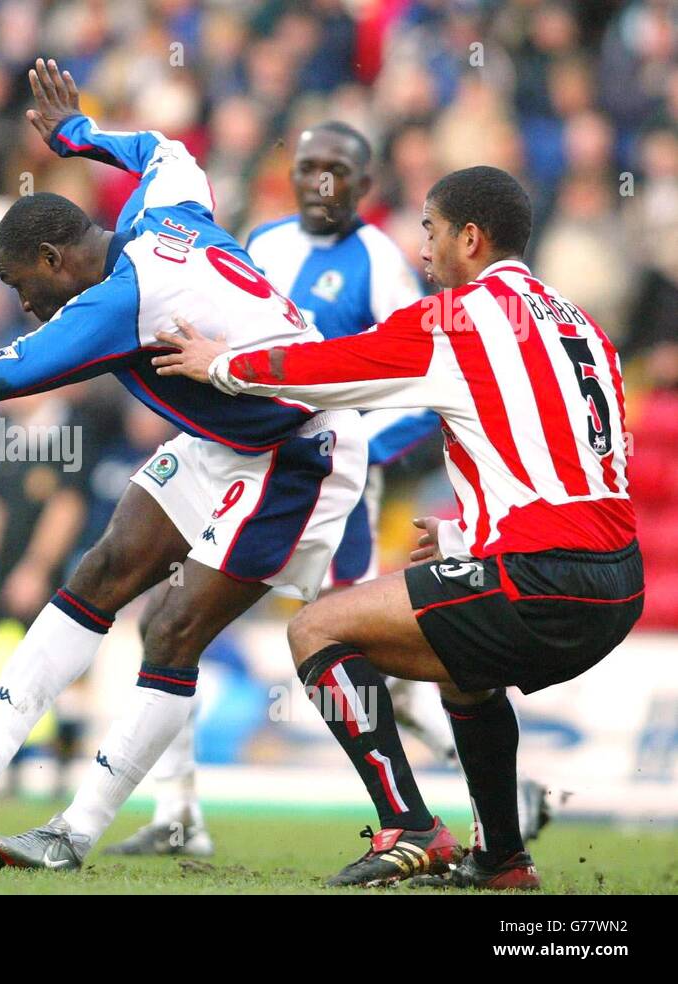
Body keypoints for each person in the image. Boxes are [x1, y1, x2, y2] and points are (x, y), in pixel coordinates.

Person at [0, 59, 369, 870]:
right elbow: (165, 148)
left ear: (54, 259)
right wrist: (78, 135)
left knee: (171, 627)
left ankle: (74, 830)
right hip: (231, 435)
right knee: (106, 566)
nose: (26, 306)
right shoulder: (167, 209)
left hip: (299, 449)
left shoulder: (117, 303)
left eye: (23, 286)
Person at [153, 165, 642, 889]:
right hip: (620, 584)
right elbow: (580, 463)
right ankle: (504, 862)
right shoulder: (582, 326)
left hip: (543, 579)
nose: (422, 248)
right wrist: (460, 537)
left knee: (316, 629)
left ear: (469, 239)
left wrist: (218, 363)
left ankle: (407, 827)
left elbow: (327, 368)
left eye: (430, 230)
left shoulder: (457, 318)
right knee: (463, 674)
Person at [108, 123, 548, 858]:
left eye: (337, 170)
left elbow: (424, 381)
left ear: (363, 183)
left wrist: (359, 450)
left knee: (358, 652)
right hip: (253, 472)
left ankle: (492, 799)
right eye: (309, 167)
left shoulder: (382, 260)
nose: (320, 182)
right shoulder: (264, 245)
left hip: (333, 490)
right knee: (166, 620)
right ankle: (178, 811)